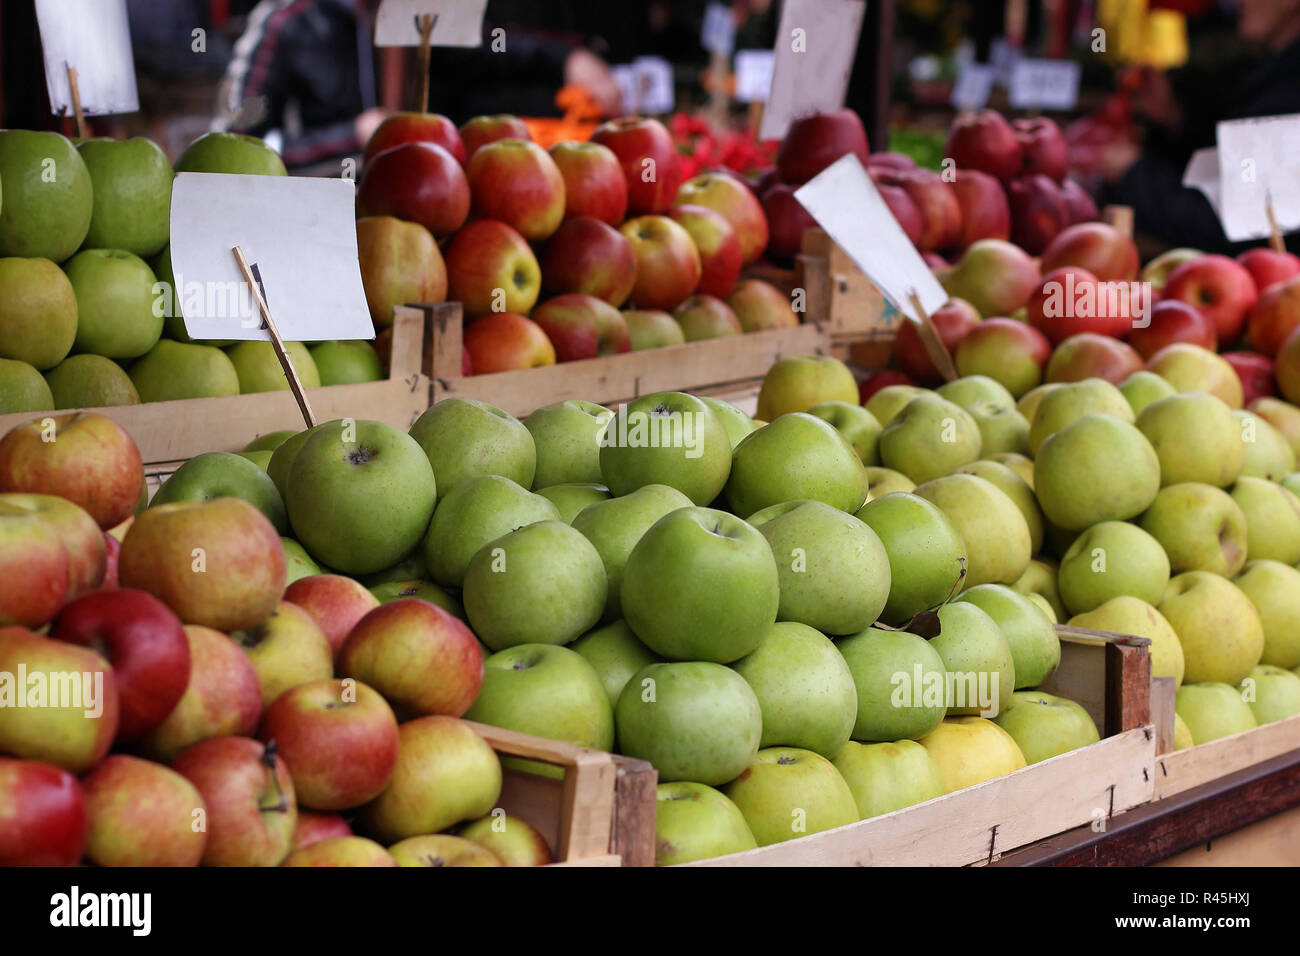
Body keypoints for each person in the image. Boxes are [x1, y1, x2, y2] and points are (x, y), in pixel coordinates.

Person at [219, 0, 625, 175]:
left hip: (431, 217)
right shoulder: (288, 21)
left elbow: (498, 48)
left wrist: (572, 57)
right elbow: (230, 147)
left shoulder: (425, 18)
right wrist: (352, 138)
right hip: (328, 224)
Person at [1102, 0, 1300, 253]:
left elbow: (1232, 229)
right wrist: (1174, 119)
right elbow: (1241, 169)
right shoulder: (1279, 74)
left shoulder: (1290, 90)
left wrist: (1132, 174)